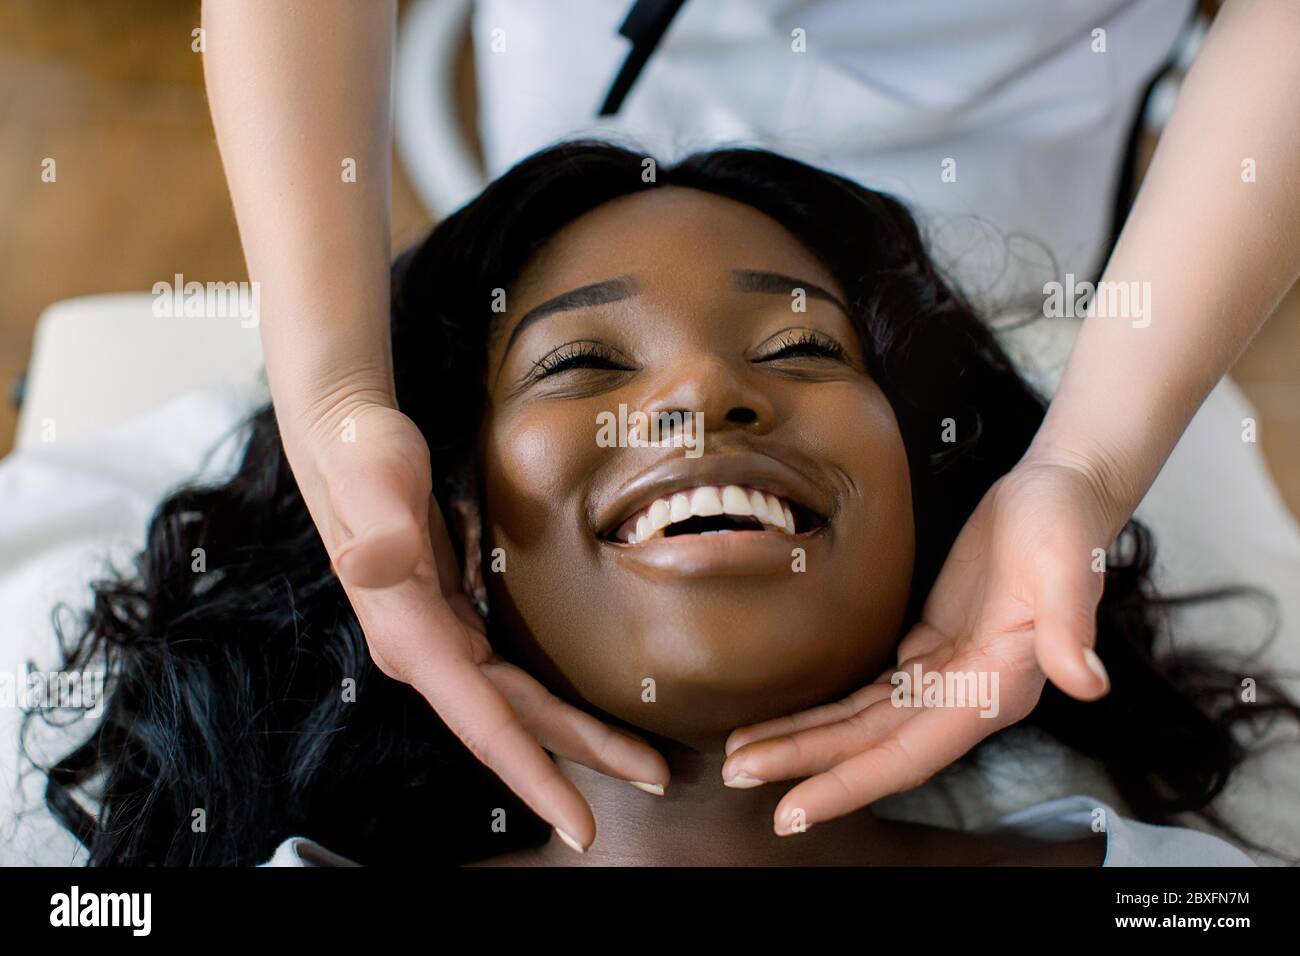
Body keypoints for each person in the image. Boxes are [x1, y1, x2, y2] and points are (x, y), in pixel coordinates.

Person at [200, 0, 1300, 848]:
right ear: (459, 528)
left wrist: (1084, 461)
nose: (699, 395)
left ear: (932, 506)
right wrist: (338, 400)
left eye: (801, 348)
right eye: (580, 362)